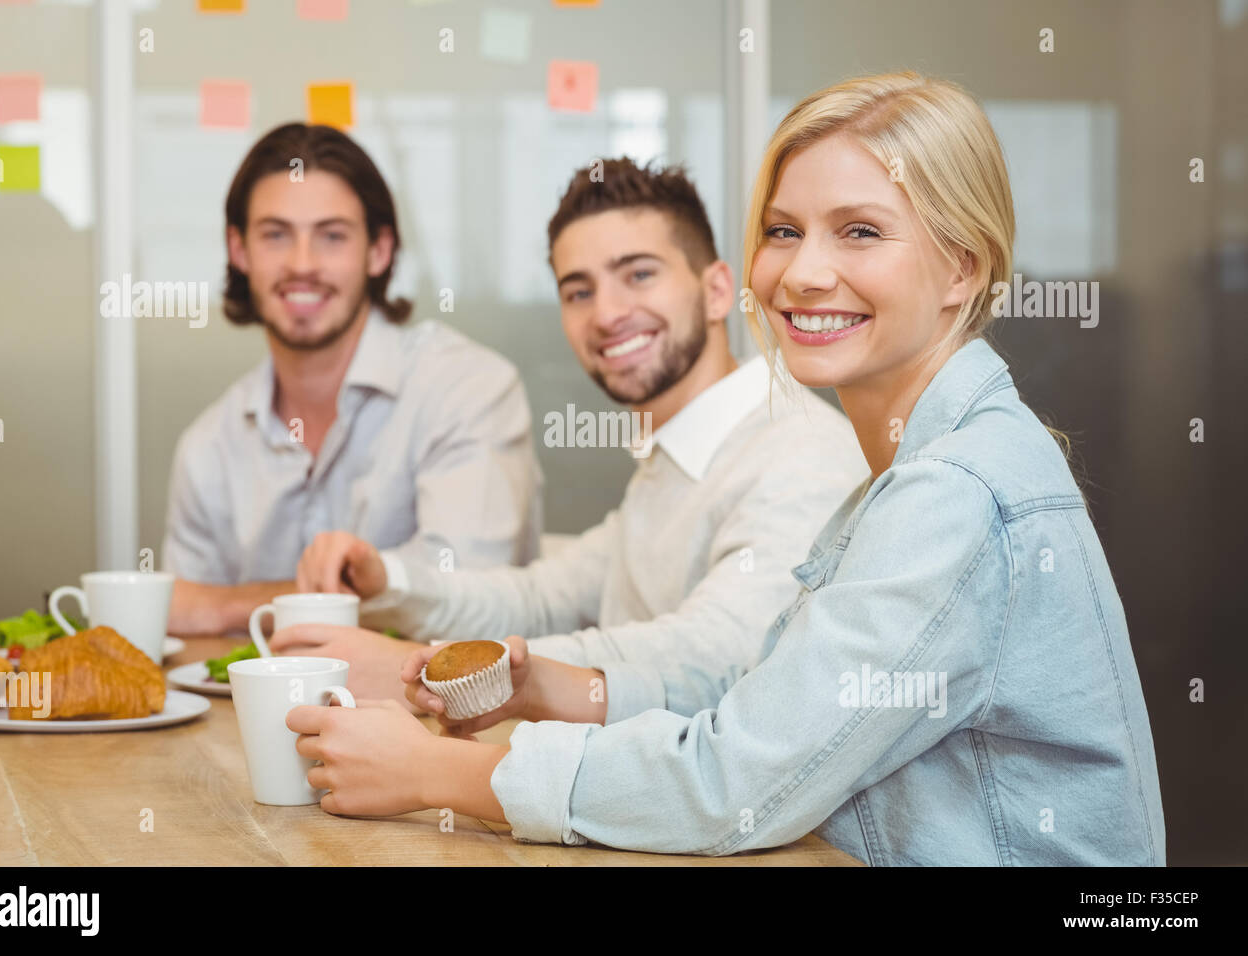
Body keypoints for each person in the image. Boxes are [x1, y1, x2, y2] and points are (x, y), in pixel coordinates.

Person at [286, 72, 1165, 865]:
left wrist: (436, 773)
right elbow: (758, 694)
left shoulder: (951, 492)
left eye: (861, 232)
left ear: (961, 268)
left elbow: (732, 781)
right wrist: (541, 685)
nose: (805, 272)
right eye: (784, 231)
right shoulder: (908, 468)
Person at [278, 158, 867, 708]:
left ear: (717, 291)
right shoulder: (674, 461)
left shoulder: (802, 455)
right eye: (579, 291)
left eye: (638, 274)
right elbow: (541, 599)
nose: (607, 314)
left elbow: (717, 658)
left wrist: (421, 667)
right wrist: (387, 581)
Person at [162, 123, 543, 636]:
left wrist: (232, 604)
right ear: (240, 251)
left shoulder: (468, 389)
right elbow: (181, 620)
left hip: (439, 718)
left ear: (379, 251)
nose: (302, 264)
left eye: (332, 236)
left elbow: (469, 597)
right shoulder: (209, 444)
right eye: (276, 235)